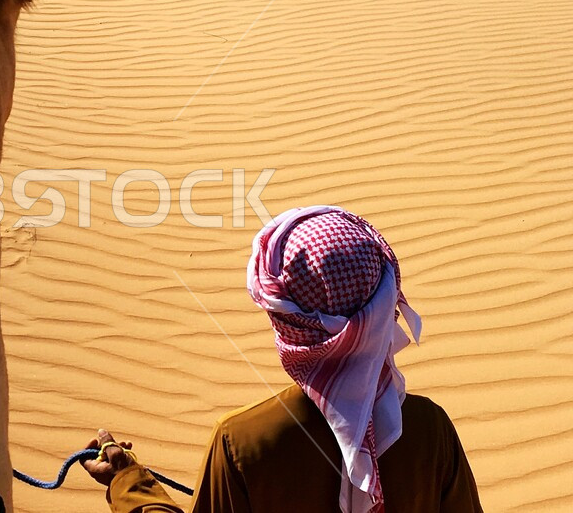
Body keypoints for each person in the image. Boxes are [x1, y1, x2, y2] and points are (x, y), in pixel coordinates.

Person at [82, 206, 483, 513]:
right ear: (383, 310)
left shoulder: (241, 441)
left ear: (290, 329)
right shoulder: (431, 430)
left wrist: (128, 480)